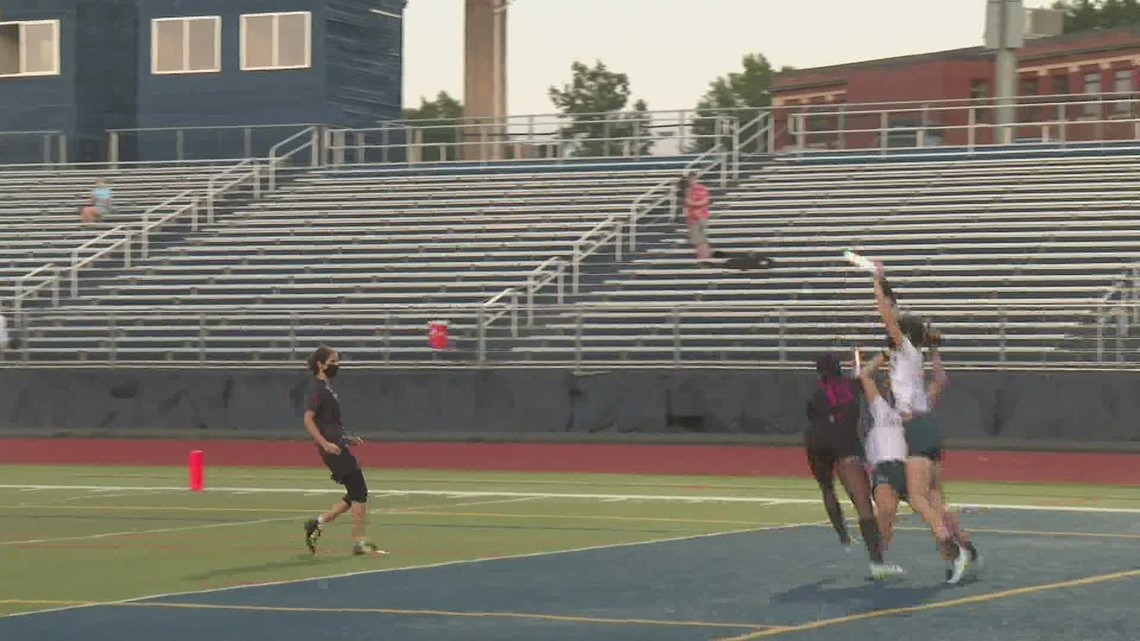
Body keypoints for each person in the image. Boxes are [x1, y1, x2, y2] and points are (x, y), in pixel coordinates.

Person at [871, 261, 973, 581]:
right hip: (929, 425)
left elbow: (888, 316)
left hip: (915, 427)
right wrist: (885, 282)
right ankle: (966, 546)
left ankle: (948, 545)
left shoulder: (906, 350)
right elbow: (895, 310)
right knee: (934, 497)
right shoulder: (914, 354)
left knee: (916, 498)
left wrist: (876, 280)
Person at [804, 352, 903, 580]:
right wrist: (885, 354)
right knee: (862, 504)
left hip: (816, 441)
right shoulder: (852, 384)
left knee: (827, 489)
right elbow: (865, 378)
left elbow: (812, 415)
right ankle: (876, 563)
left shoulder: (816, 393)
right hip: (844, 442)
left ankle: (843, 536)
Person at [301, 345, 386, 557]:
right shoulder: (318, 389)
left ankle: (317, 523)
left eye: (338, 361)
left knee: (354, 493)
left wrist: (346, 438)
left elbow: (328, 421)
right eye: (332, 361)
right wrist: (325, 444)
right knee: (360, 491)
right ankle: (358, 542)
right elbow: (308, 419)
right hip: (333, 450)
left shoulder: (327, 389)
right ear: (320, 364)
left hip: (338, 445)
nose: (337, 365)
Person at [684, 172, 713, 263]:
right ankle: (700, 258)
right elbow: (687, 202)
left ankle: (704, 258)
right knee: (697, 240)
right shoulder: (687, 190)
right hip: (692, 218)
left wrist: (694, 204)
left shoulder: (701, 189)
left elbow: (704, 201)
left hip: (701, 216)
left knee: (702, 239)